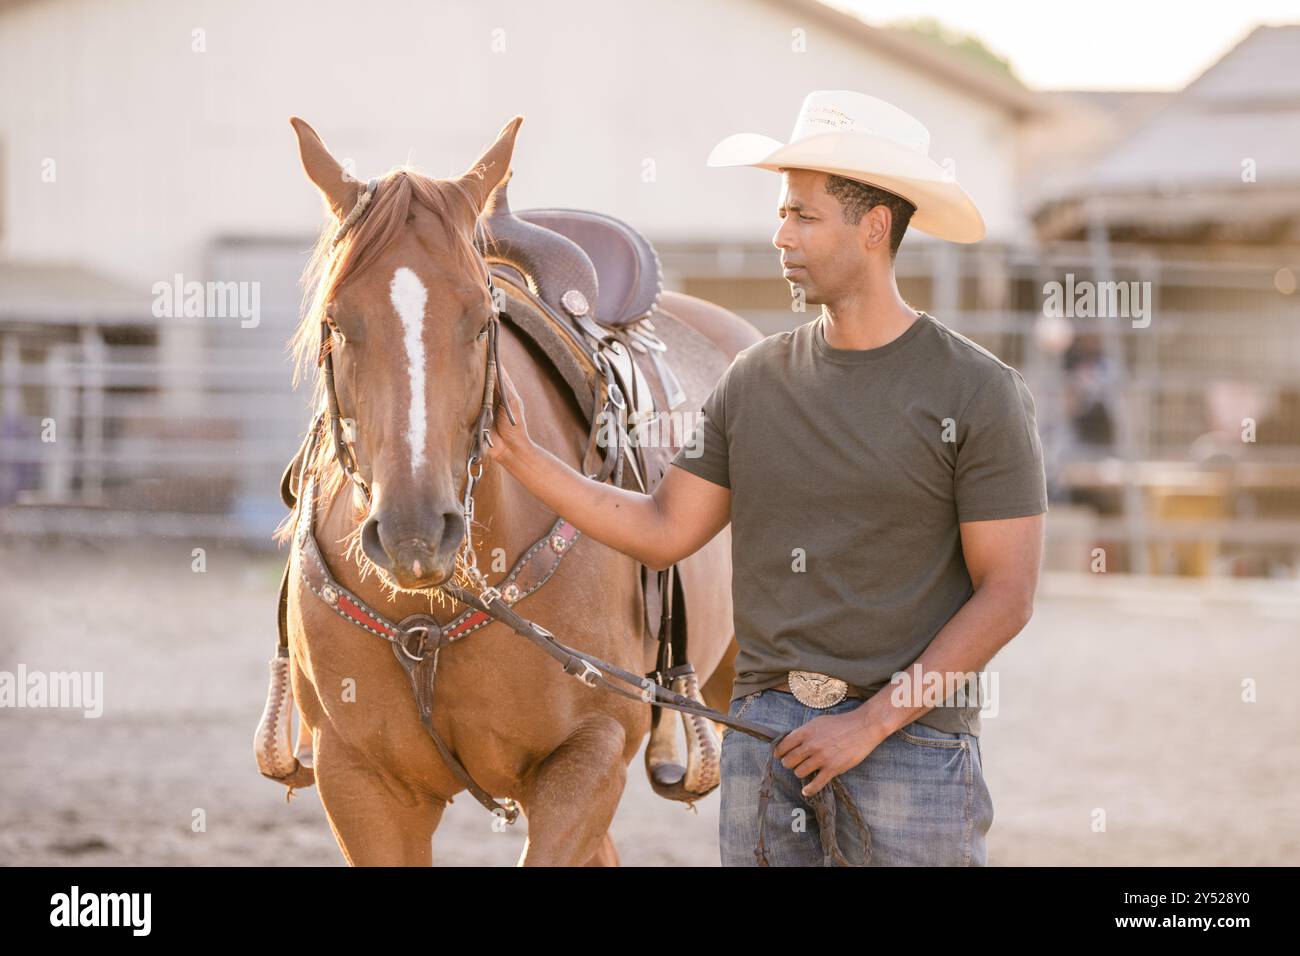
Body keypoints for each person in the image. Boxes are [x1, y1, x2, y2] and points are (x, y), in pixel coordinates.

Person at [485, 91, 1047, 866]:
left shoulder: (977, 392)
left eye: (803, 216)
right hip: (762, 743)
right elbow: (662, 530)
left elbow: (1007, 593)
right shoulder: (755, 380)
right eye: (782, 214)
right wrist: (522, 458)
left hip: (912, 752)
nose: (780, 235)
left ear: (874, 227)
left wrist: (872, 723)